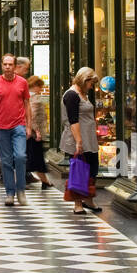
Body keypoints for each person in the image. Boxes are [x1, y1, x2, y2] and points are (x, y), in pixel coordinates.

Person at [0, 55, 32, 208]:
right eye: (5, 64)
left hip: (18, 125)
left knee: (20, 157)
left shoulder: (22, 83)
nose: (7, 67)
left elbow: (27, 104)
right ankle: (10, 193)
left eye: (10, 64)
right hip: (1, 127)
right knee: (6, 161)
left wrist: (29, 125)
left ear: (14, 66)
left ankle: (21, 191)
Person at [60, 67, 102, 215]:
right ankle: (78, 203)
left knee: (92, 169)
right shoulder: (72, 95)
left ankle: (88, 198)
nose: (92, 86)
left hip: (89, 139)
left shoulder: (83, 94)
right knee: (79, 170)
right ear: (84, 80)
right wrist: (79, 142)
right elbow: (73, 120)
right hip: (78, 138)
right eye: (91, 83)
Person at [27, 76, 51, 189]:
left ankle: (45, 181)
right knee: (36, 158)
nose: (41, 89)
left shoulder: (28, 97)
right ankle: (44, 181)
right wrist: (37, 131)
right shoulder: (34, 98)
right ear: (35, 86)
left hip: (30, 133)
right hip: (34, 134)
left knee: (36, 158)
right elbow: (33, 116)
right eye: (40, 87)